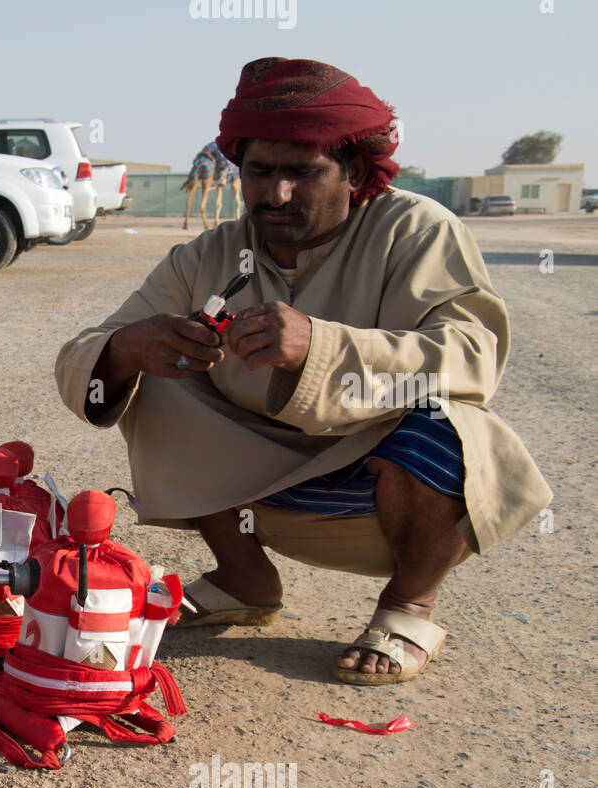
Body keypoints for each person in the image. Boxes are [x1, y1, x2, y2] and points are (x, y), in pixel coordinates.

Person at [54, 57, 550, 685]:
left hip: (374, 467)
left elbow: (471, 353)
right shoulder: (207, 255)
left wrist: (323, 347)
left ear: (358, 173)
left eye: (303, 173)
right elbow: (87, 352)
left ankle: (408, 608)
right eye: (259, 172)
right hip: (249, 473)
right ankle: (244, 578)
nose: (276, 194)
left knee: (453, 430)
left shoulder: (417, 230)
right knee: (146, 374)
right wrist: (128, 348)